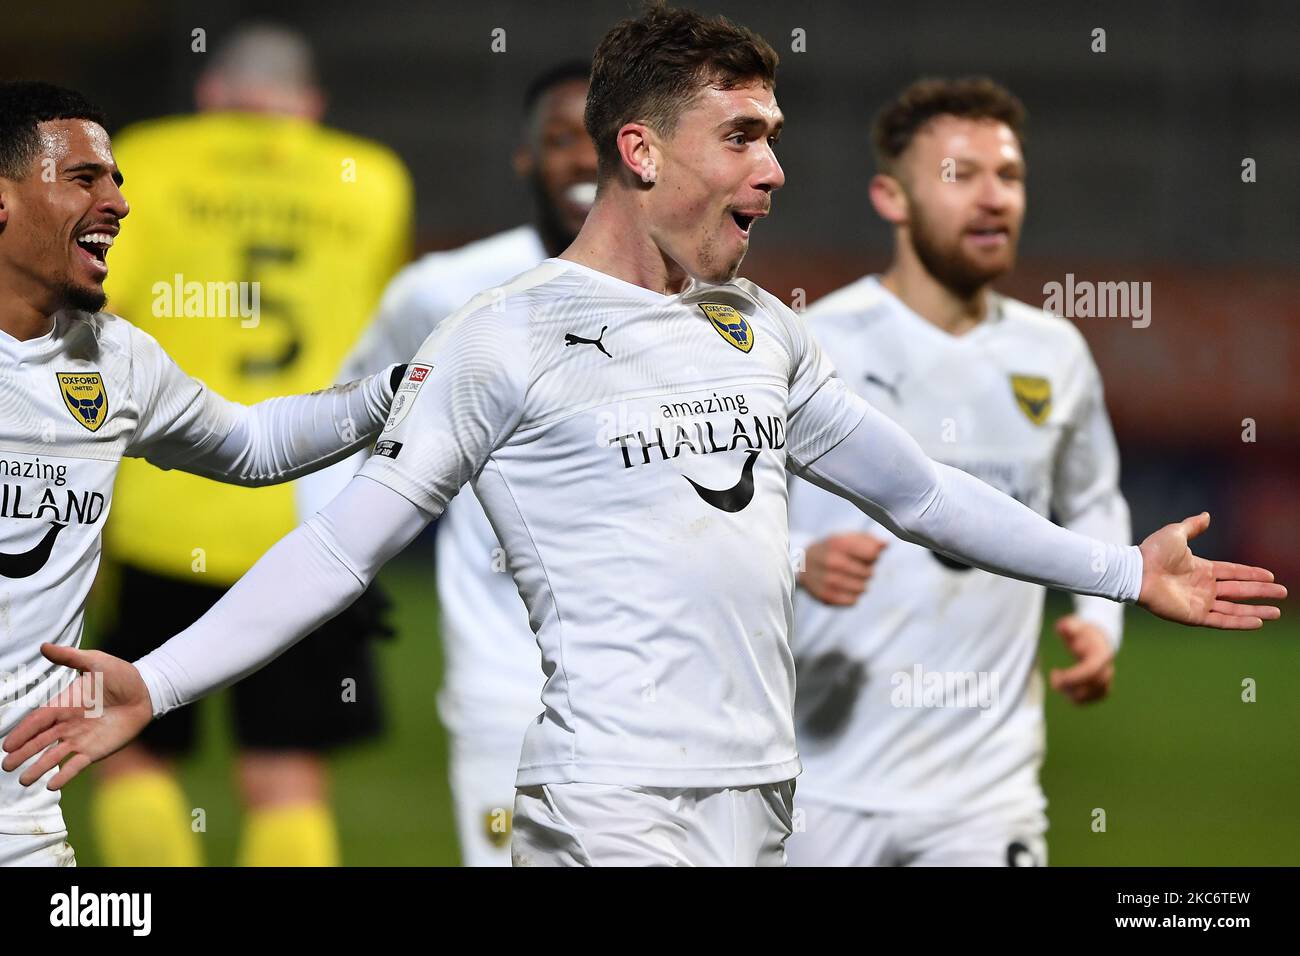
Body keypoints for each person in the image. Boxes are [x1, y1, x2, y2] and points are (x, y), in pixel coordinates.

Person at [4, 5, 1284, 868]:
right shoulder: (506, 335)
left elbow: (922, 490)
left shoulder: (760, 332)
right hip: (611, 808)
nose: (773, 171)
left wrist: (1124, 570)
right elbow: (340, 549)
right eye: (741, 138)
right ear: (638, 150)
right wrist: (158, 682)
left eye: (772, 137)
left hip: (763, 799)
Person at [0, 80, 402, 867]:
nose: (117, 200)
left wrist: (400, 390)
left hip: (26, 829)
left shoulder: (116, 357)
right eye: (84, 179)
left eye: (116, 178)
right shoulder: (366, 179)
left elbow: (253, 445)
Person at [785, 77, 1128, 867]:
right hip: (822, 782)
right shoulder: (813, 344)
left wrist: (1101, 620)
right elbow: (724, 516)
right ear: (890, 198)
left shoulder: (1056, 353)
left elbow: (1092, 500)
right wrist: (800, 561)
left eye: (1008, 176)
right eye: (960, 175)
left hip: (988, 795)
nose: (993, 198)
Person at [297, 60, 596, 866]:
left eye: (603, 136)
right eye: (562, 138)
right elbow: (341, 420)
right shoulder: (445, 293)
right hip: (504, 676)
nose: (585, 159)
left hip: (662, 683)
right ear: (527, 158)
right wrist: (336, 565)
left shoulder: (698, 295)